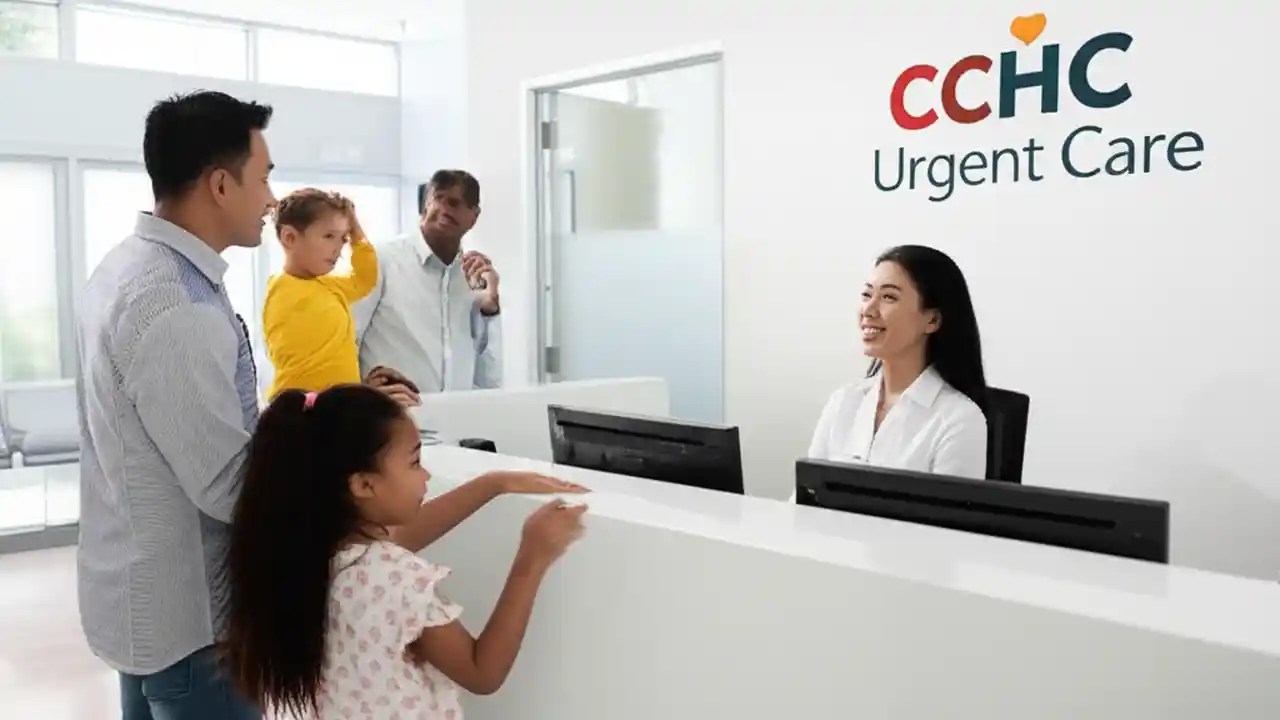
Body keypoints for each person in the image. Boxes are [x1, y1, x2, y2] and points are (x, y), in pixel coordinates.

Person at [77, 90, 276, 719]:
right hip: (193, 624)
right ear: (220, 184)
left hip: (145, 600)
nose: (272, 199)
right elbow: (227, 484)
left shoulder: (127, 266)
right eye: (263, 178)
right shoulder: (171, 302)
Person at [224, 385, 588, 719]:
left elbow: (396, 541)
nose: (425, 476)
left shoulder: (299, 556)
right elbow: (482, 671)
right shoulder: (395, 577)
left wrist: (493, 483)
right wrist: (533, 556)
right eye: (414, 462)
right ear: (363, 484)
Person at [806, 245, 988, 486]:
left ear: (932, 320)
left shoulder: (959, 420)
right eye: (867, 295)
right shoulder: (844, 401)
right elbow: (804, 497)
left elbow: (949, 512)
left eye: (888, 297)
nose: (868, 310)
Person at [354, 170, 503, 393]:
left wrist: (490, 309)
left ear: (474, 216)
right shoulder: (380, 259)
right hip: (387, 412)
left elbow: (488, 379)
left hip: (458, 413)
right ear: (425, 204)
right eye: (437, 198)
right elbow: (347, 338)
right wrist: (359, 396)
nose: (444, 209)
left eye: (455, 203)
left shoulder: (473, 277)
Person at [263, 188, 414, 404]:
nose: (338, 248)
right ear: (290, 237)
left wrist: (356, 233)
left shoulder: (328, 286)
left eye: (343, 239)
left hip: (335, 408)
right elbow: (303, 373)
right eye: (329, 236)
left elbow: (364, 279)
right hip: (304, 413)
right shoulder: (283, 291)